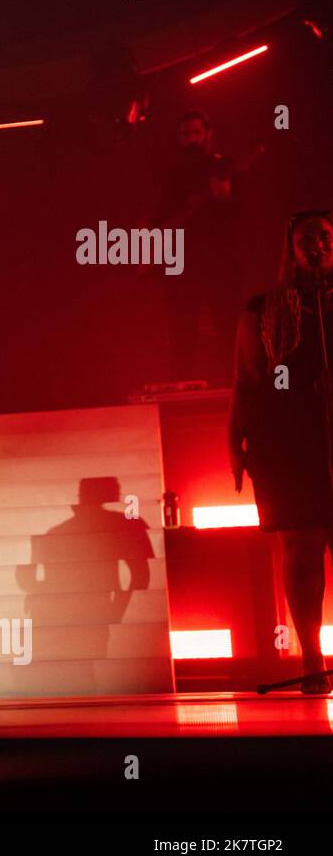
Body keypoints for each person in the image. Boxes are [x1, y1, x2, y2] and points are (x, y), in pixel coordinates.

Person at [228, 209, 333, 694]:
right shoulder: (264, 307)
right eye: (308, 238)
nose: (319, 244)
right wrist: (235, 440)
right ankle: (311, 655)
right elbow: (246, 381)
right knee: (301, 546)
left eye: (327, 236)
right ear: (291, 247)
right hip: (289, 440)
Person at [148, 110, 244, 385]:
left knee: (228, 325)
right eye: (185, 134)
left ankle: (235, 385)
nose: (191, 139)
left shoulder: (224, 166)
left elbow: (242, 212)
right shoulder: (170, 173)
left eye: (195, 133)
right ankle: (182, 385)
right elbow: (158, 215)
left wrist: (226, 196)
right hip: (181, 262)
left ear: (207, 134)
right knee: (182, 327)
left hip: (220, 261)